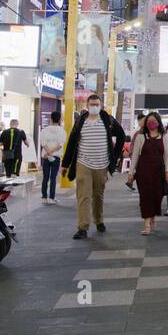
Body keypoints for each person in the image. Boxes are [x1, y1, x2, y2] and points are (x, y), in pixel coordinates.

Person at [62, 94, 126, 240]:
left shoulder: (108, 120)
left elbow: (121, 135)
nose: (94, 107)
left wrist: (114, 157)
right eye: (92, 104)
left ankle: (99, 220)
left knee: (98, 195)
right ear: (87, 104)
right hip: (83, 163)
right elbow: (72, 143)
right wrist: (65, 164)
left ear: (101, 105)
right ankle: (82, 227)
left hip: (102, 164)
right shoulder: (80, 121)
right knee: (83, 195)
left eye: (97, 104)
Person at [127, 112, 168, 236]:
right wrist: (131, 172)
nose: (151, 123)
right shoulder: (141, 136)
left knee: (157, 196)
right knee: (145, 197)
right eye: (148, 121)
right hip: (143, 171)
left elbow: (167, 156)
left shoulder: (164, 136)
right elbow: (135, 155)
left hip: (159, 171)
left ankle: (153, 216)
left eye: (153, 120)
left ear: (158, 122)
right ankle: (146, 224)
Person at [38, 111, 66, 204]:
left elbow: (43, 143)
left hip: (46, 156)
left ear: (51, 119)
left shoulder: (44, 130)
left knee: (45, 177)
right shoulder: (62, 131)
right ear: (60, 120)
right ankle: (51, 198)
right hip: (56, 157)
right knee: (53, 177)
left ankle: (44, 197)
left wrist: (48, 152)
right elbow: (60, 145)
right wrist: (52, 152)